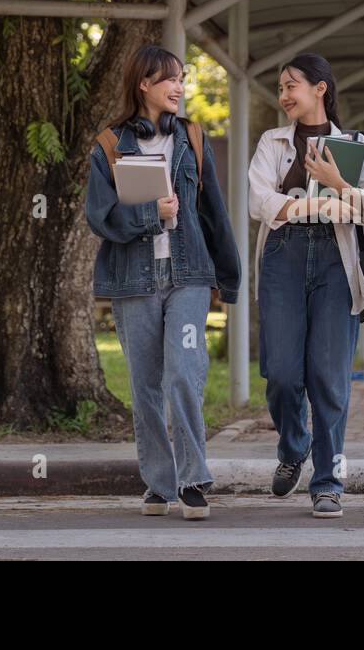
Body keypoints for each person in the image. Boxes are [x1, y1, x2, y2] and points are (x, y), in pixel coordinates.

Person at [86, 44, 240, 520]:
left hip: (189, 275)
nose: (178, 87)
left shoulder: (192, 138)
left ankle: (193, 478)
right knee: (145, 384)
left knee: (182, 373)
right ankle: (158, 482)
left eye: (181, 78)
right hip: (134, 279)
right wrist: (152, 214)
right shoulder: (110, 144)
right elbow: (100, 216)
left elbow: (214, 210)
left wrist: (229, 278)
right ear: (143, 85)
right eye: (169, 79)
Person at [248, 52, 364, 519]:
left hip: (335, 260)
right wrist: (321, 207)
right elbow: (260, 202)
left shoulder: (357, 146)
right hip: (282, 258)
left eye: (292, 85)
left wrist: (337, 185)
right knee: (282, 373)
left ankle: (327, 481)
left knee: (329, 379)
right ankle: (294, 447)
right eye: (281, 87)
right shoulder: (272, 142)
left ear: (320, 89)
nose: (284, 95)